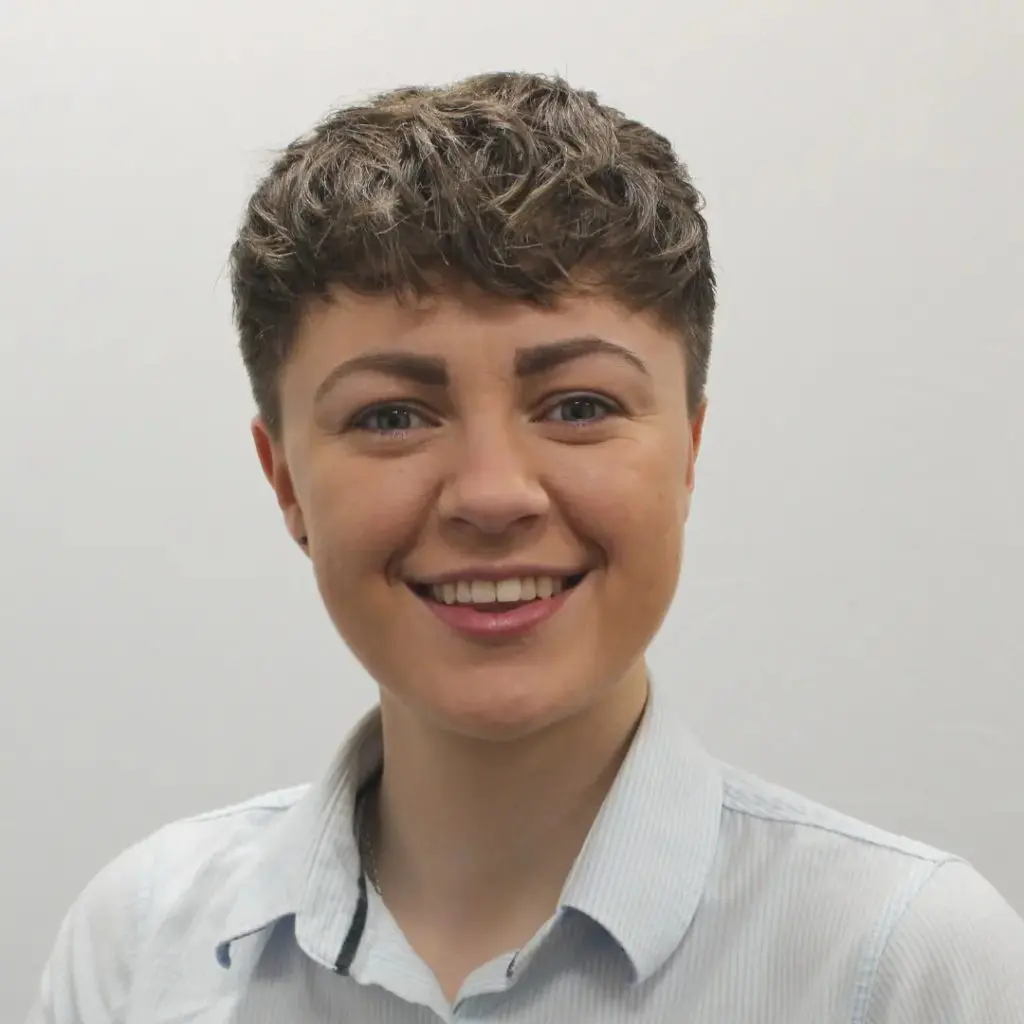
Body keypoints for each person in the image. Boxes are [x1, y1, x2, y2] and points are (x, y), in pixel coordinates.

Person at [28, 71, 1024, 1023]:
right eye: (390, 417)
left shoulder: (902, 967)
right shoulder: (141, 949)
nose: (493, 494)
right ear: (285, 481)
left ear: (688, 453)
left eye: (579, 406)